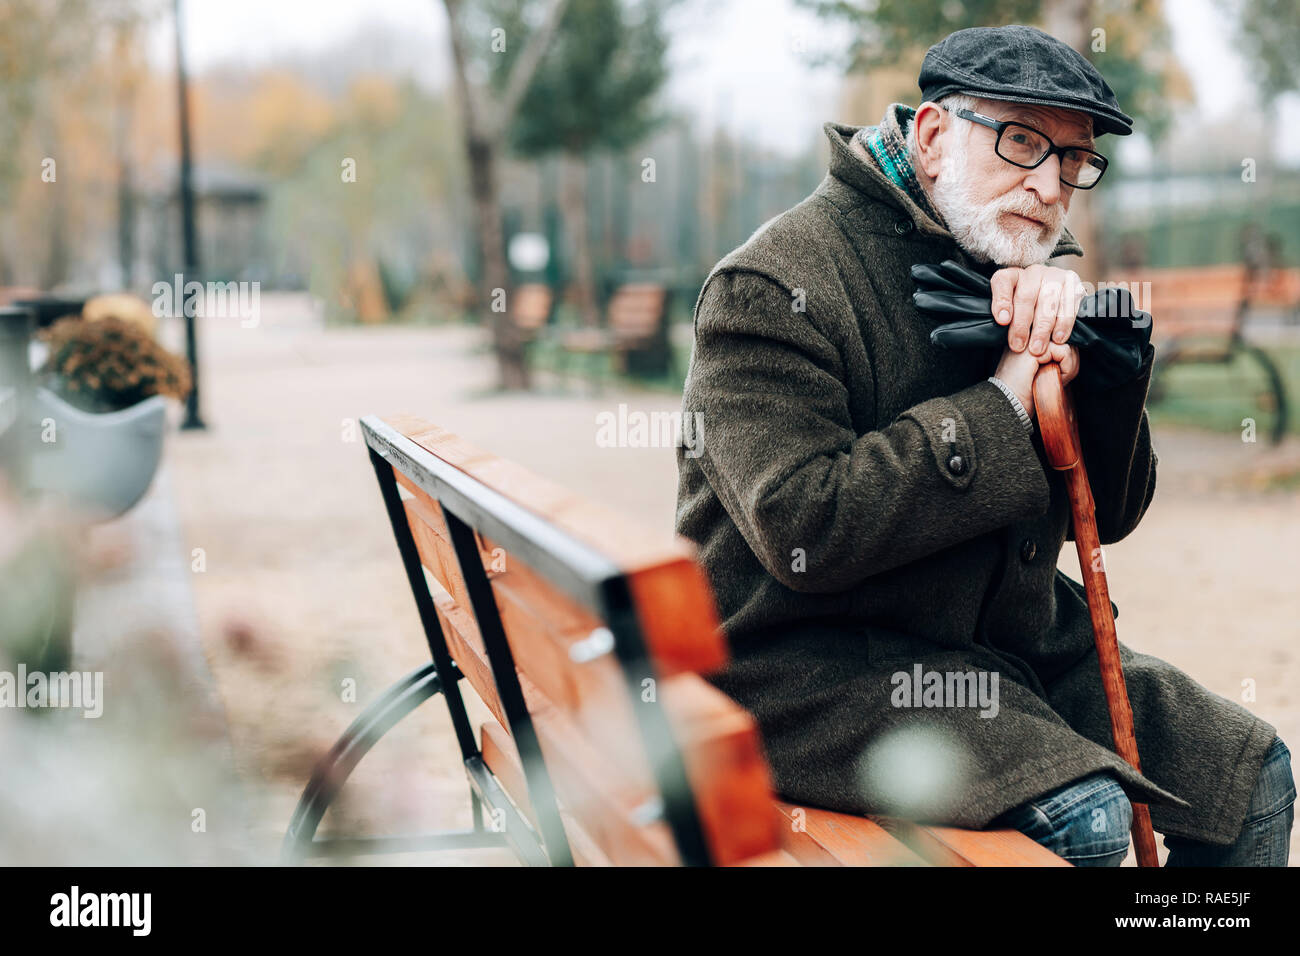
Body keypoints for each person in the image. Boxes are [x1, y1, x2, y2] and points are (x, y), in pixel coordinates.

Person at [675, 24, 1293, 865]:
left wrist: (1095, 374)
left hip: (1007, 655)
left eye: (1072, 161)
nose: (1048, 186)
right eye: (1020, 142)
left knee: (1252, 784)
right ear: (932, 136)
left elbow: (1107, 518)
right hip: (817, 677)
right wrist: (1005, 401)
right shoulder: (776, 284)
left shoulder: (1014, 264)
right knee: (1090, 819)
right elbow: (801, 529)